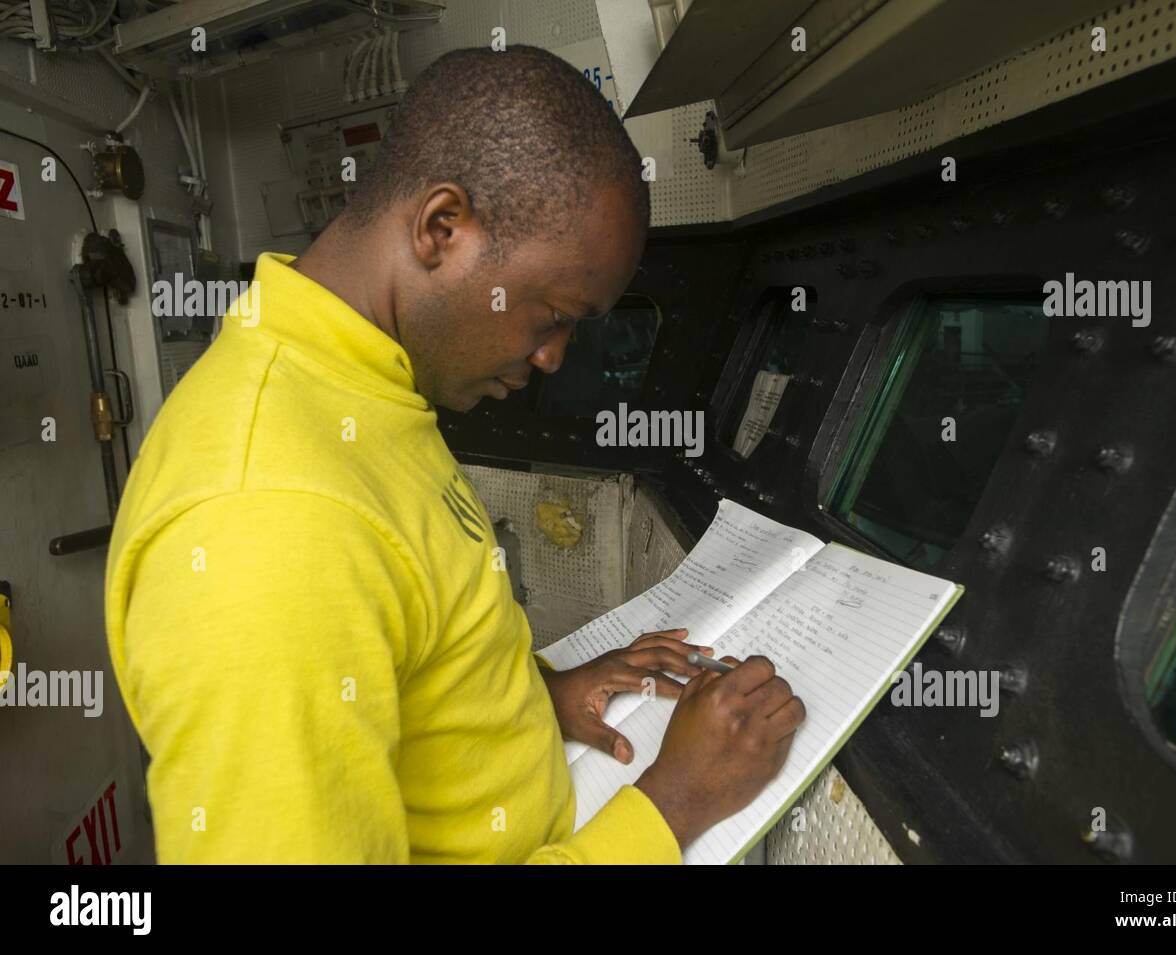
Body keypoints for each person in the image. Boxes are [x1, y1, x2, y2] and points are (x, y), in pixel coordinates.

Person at [103, 44, 804, 864]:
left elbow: (407, 649)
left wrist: (532, 695)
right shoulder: (266, 519)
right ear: (443, 227)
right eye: (551, 315)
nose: (551, 358)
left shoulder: (360, 386)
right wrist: (673, 803)